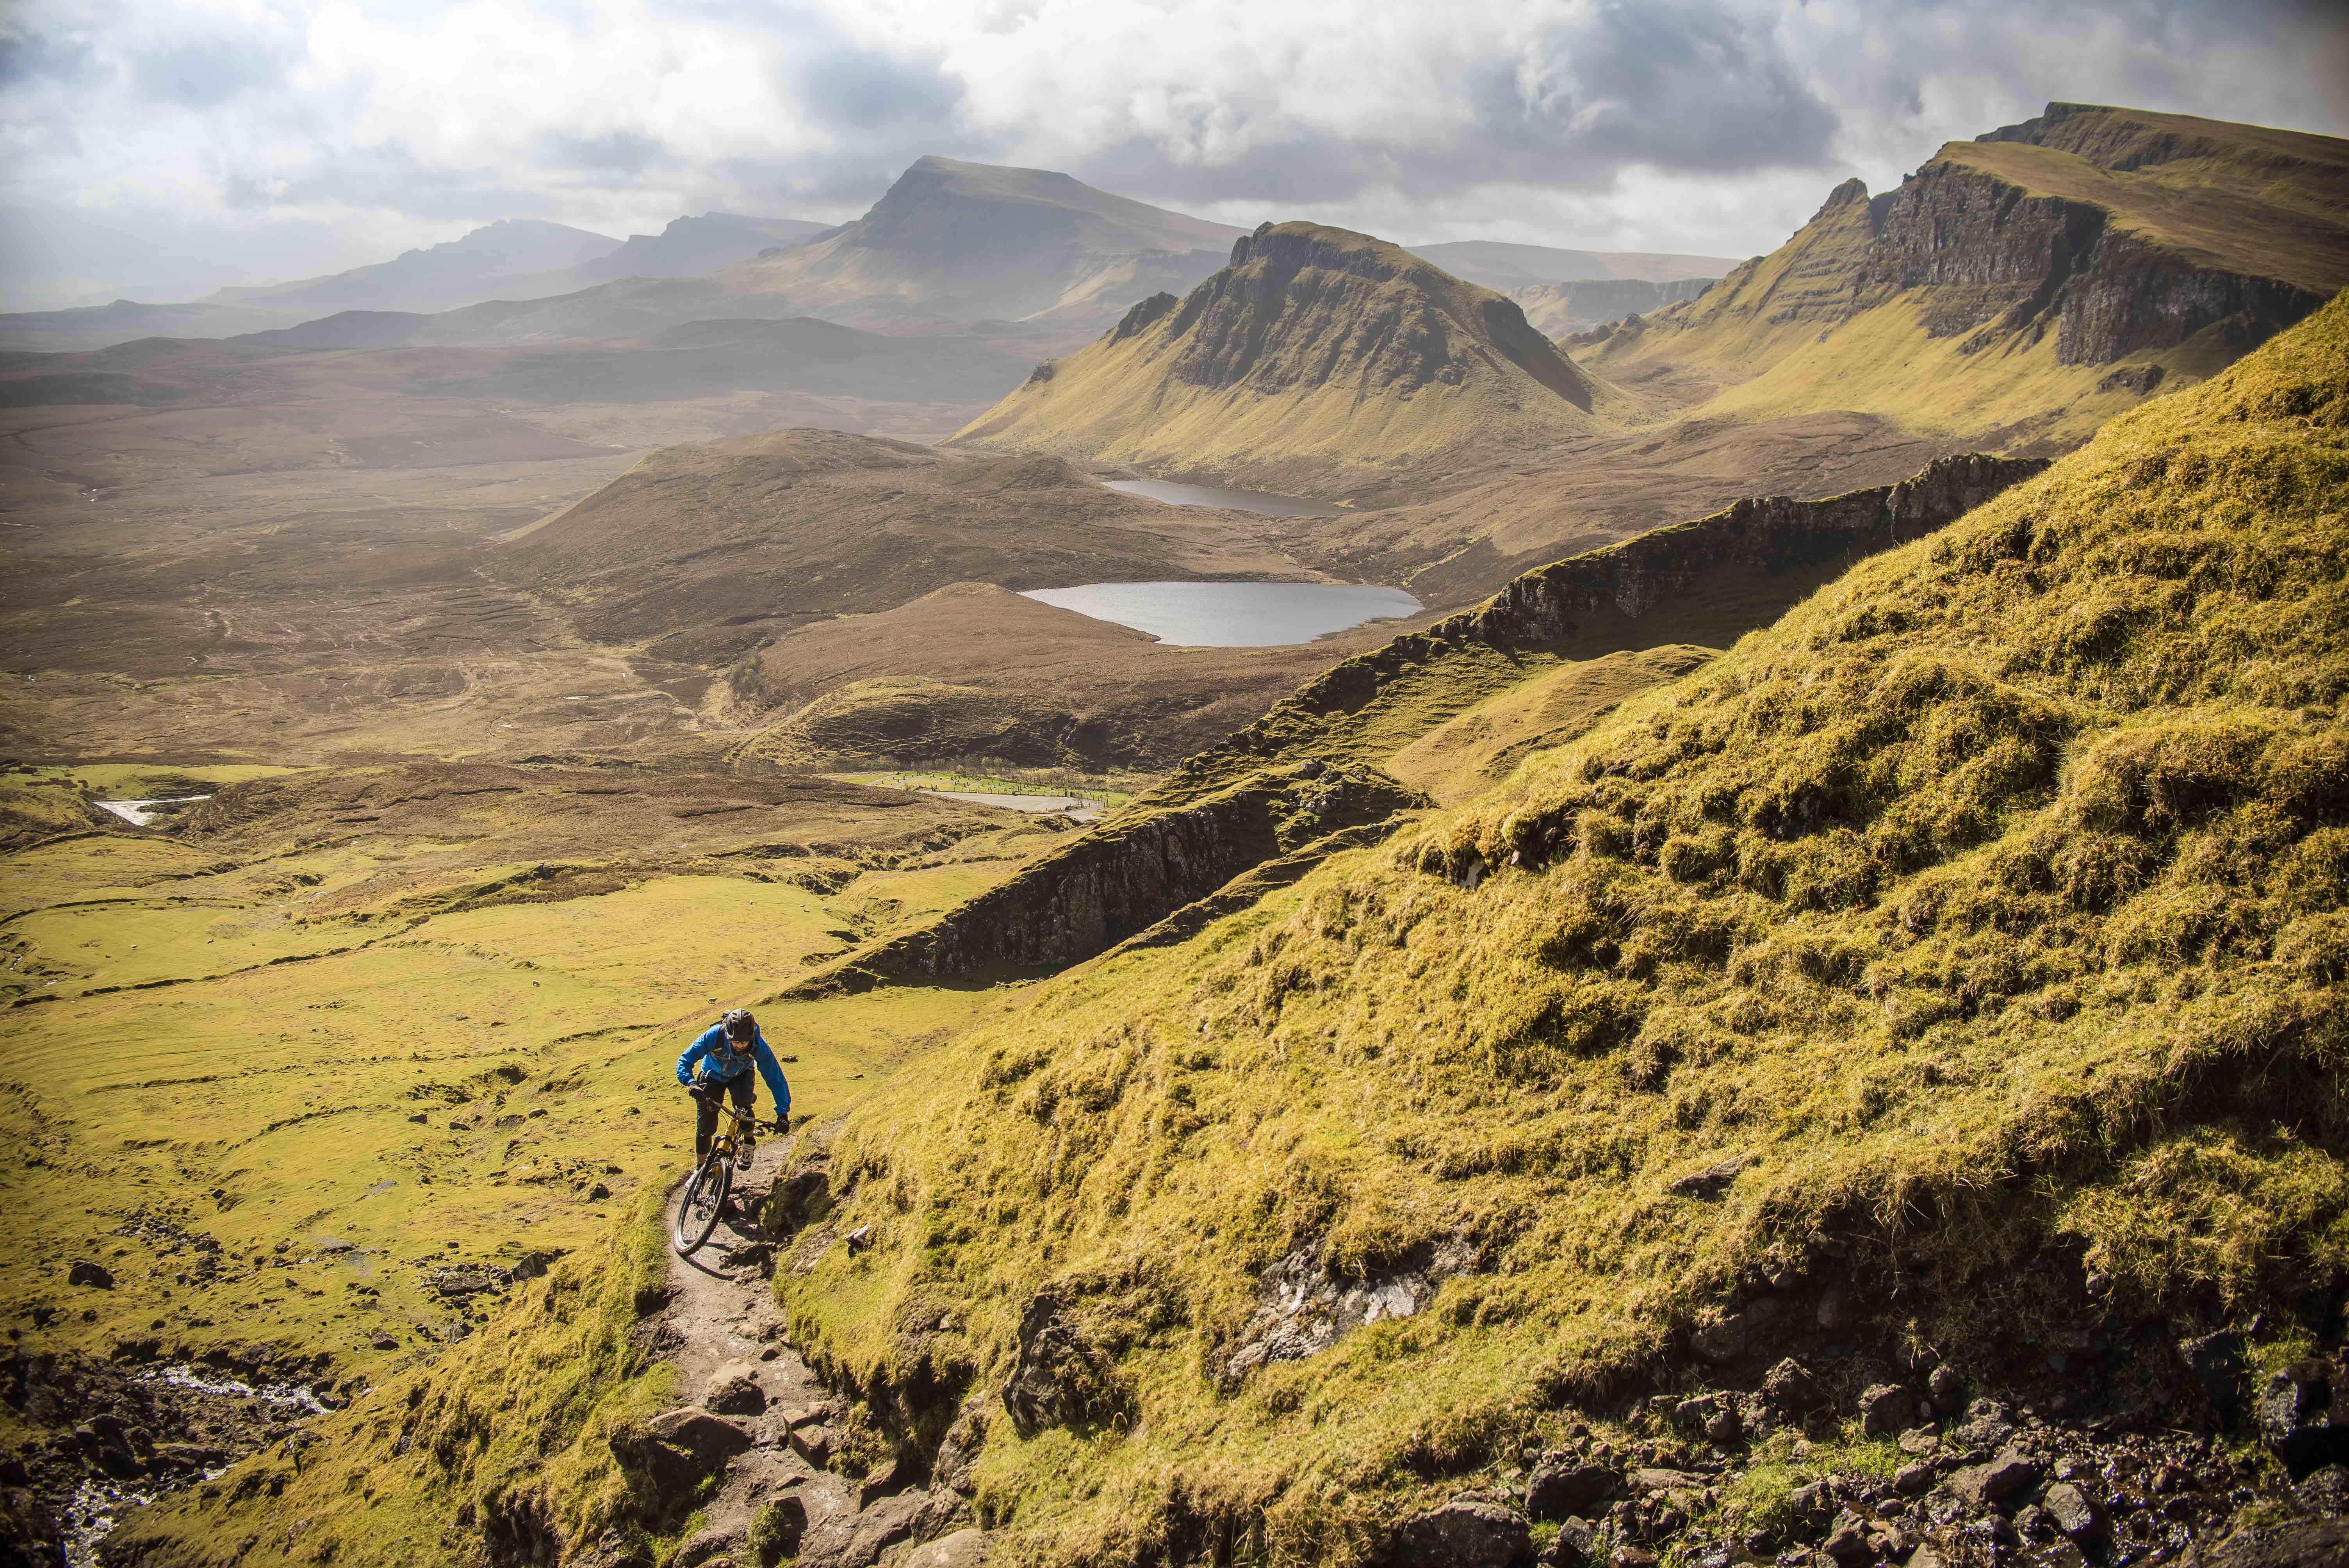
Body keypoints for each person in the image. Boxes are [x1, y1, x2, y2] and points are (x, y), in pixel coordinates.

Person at [676, 1008, 791, 1163]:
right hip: (712, 1074)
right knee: (706, 1126)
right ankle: (700, 1169)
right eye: (735, 1042)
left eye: (744, 1042)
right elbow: (685, 1060)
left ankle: (749, 1142)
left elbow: (775, 1078)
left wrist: (783, 1114)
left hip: (742, 1074)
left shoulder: (759, 1046)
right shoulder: (714, 1035)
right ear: (728, 1036)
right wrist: (691, 1083)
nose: (740, 1046)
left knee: (743, 1106)